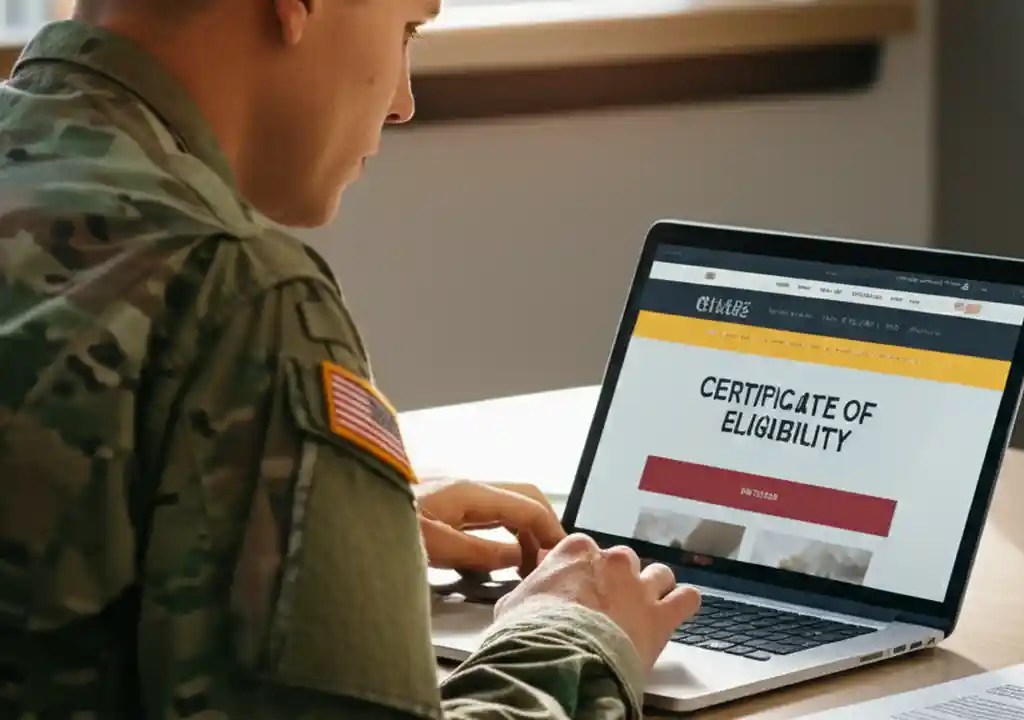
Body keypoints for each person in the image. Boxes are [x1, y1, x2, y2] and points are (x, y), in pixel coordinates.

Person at [0, 0, 700, 716]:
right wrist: (567, 637)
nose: (403, 102)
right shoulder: (240, 299)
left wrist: (322, 523)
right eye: (408, 29)